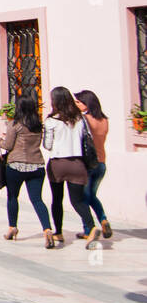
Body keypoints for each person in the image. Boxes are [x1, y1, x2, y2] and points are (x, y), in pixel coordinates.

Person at [0, 94, 53, 247]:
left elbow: (8, 146)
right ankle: (47, 229)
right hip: (36, 165)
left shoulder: (14, 124)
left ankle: (12, 227)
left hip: (16, 165)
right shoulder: (38, 125)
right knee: (37, 199)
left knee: (12, 196)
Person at [43, 86, 93, 248]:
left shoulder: (51, 121)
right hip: (77, 163)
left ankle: (58, 232)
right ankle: (91, 228)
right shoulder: (80, 119)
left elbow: (47, 145)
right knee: (77, 200)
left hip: (58, 163)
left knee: (57, 199)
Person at [73, 89, 114, 243]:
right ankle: (103, 220)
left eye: (78, 101)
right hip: (102, 162)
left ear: (86, 103)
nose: (75, 104)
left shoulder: (84, 119)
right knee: (92, 196)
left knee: (84, 197)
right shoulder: (104, 120)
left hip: (89, 163)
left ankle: (88, 230)